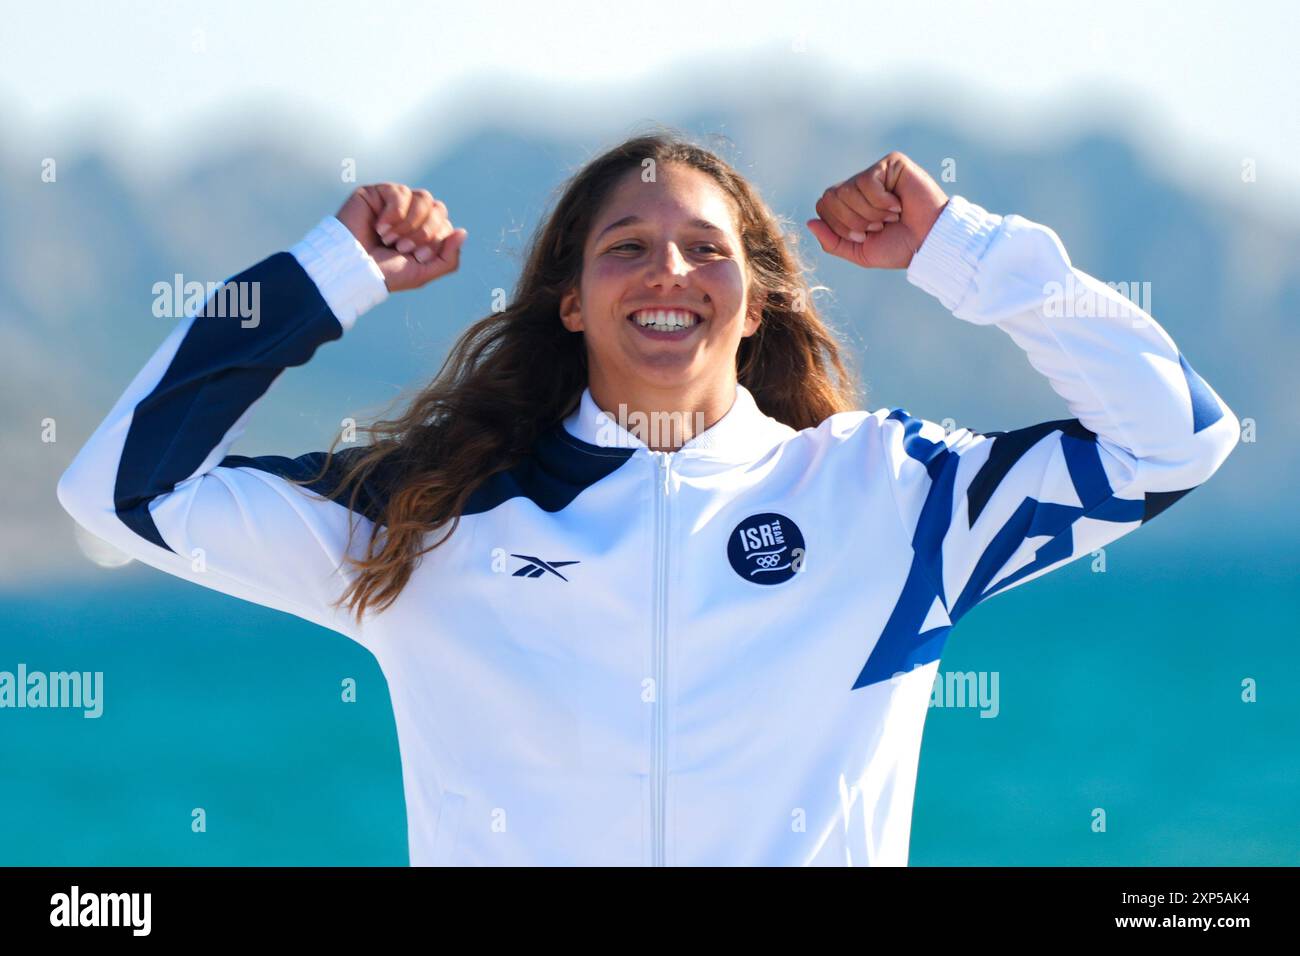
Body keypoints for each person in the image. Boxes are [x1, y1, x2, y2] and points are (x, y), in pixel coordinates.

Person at [56, 132, 1240, 866]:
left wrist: (966, 251)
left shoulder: (896, 497)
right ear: (570, 300)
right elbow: (120, 490)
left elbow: (1174, 440)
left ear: (758, 299)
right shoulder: (432, 510)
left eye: (705, 248)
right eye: (626, 246)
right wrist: (326, 273)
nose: (668, 270)